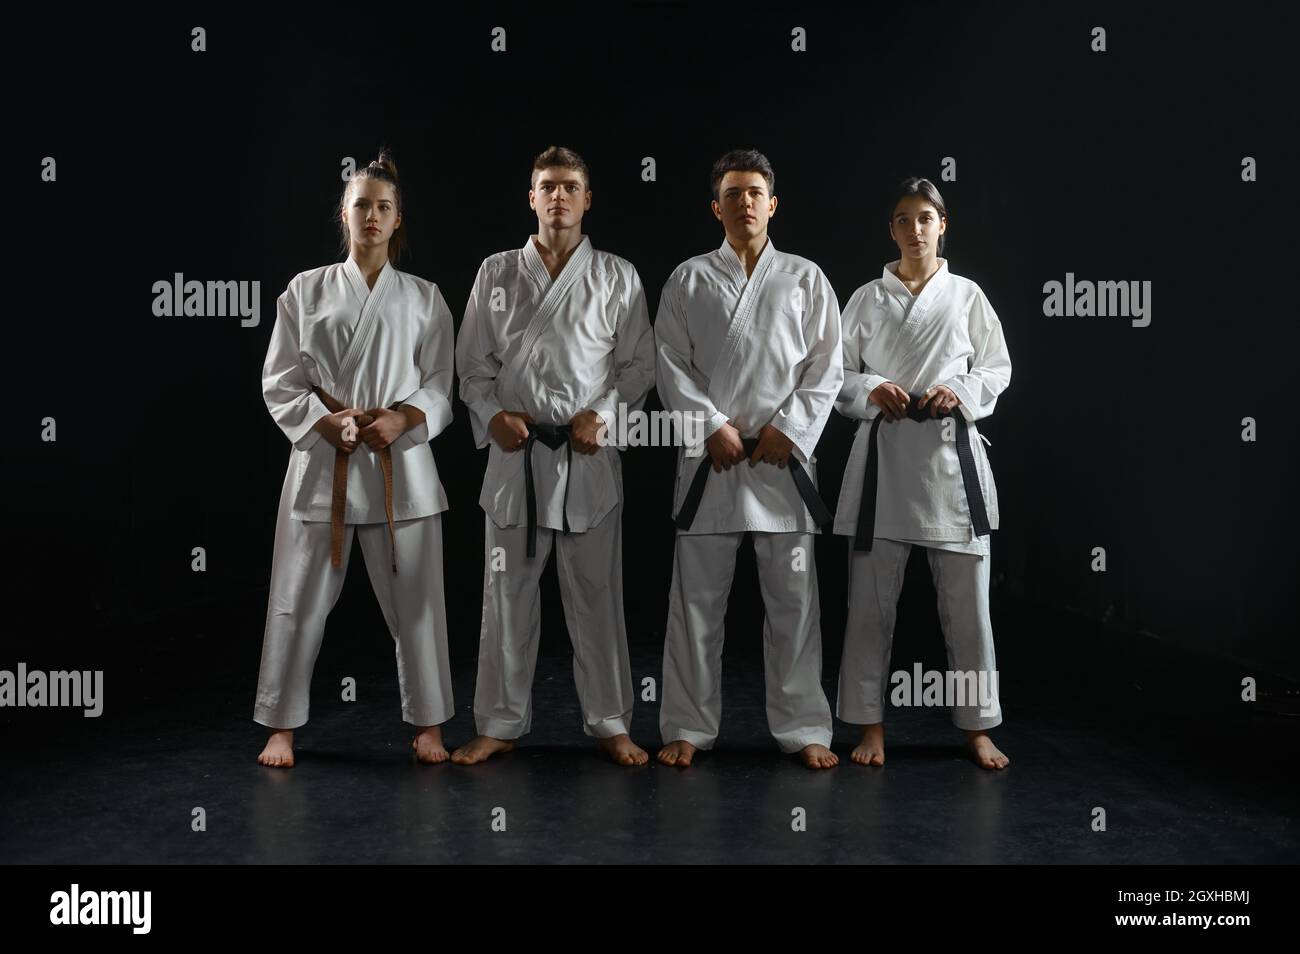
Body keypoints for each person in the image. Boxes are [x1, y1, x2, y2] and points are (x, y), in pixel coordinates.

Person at [452, 146, 655, 767]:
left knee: (597, 595)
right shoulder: (495, 273)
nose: (559, 197)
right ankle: (499, 723)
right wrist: (493, 417)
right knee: (505, 595)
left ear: (587, 198)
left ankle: (611, 722)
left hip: (586, 454)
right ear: (532, 197)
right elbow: (471, 368)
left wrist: (605, 414)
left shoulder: (617, 276)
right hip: (516, 455)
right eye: (548, 186)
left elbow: (639, 366)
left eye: (571, 186)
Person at [254, 150, 456, 768]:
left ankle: (428, 726)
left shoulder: (425, 298)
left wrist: (402, 417)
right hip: (324, 464)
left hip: (401, 468)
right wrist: (326, 421)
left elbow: (443, 383)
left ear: (399, 220)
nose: (372, 215)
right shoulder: (305, 291)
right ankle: (282, 728)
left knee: (419, 603)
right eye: (361, 204)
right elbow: (280, 381)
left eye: (384, 207)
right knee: (295, 601)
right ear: (344, 214)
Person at [655, 148, 843, 770]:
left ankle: (805, 727)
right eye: (732, 194)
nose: (744, 203)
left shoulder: (806, 277)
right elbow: (669, 362)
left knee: (793, 601)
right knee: (696, 604)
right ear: (717, 206)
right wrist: (709, 424)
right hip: (715, 461)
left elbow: (827, 365)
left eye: (754, 193)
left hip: (779, 461)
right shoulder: (688, 278)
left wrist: (790, 428)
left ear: (773, 203)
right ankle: (686, 725)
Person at [833, 177, 1012, 770]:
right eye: (904, 220)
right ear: (892, 229)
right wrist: (868, 387)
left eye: (925, 219)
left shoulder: (966, 295)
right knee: (869, 604)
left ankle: (977, 727)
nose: (915, 230)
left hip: (948, 462)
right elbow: (834, 375)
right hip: (884, 464)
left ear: (942, 226)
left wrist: (956, 389)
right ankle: (870, 725)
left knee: (969, 608)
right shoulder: (864, 298)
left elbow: (996, 368)